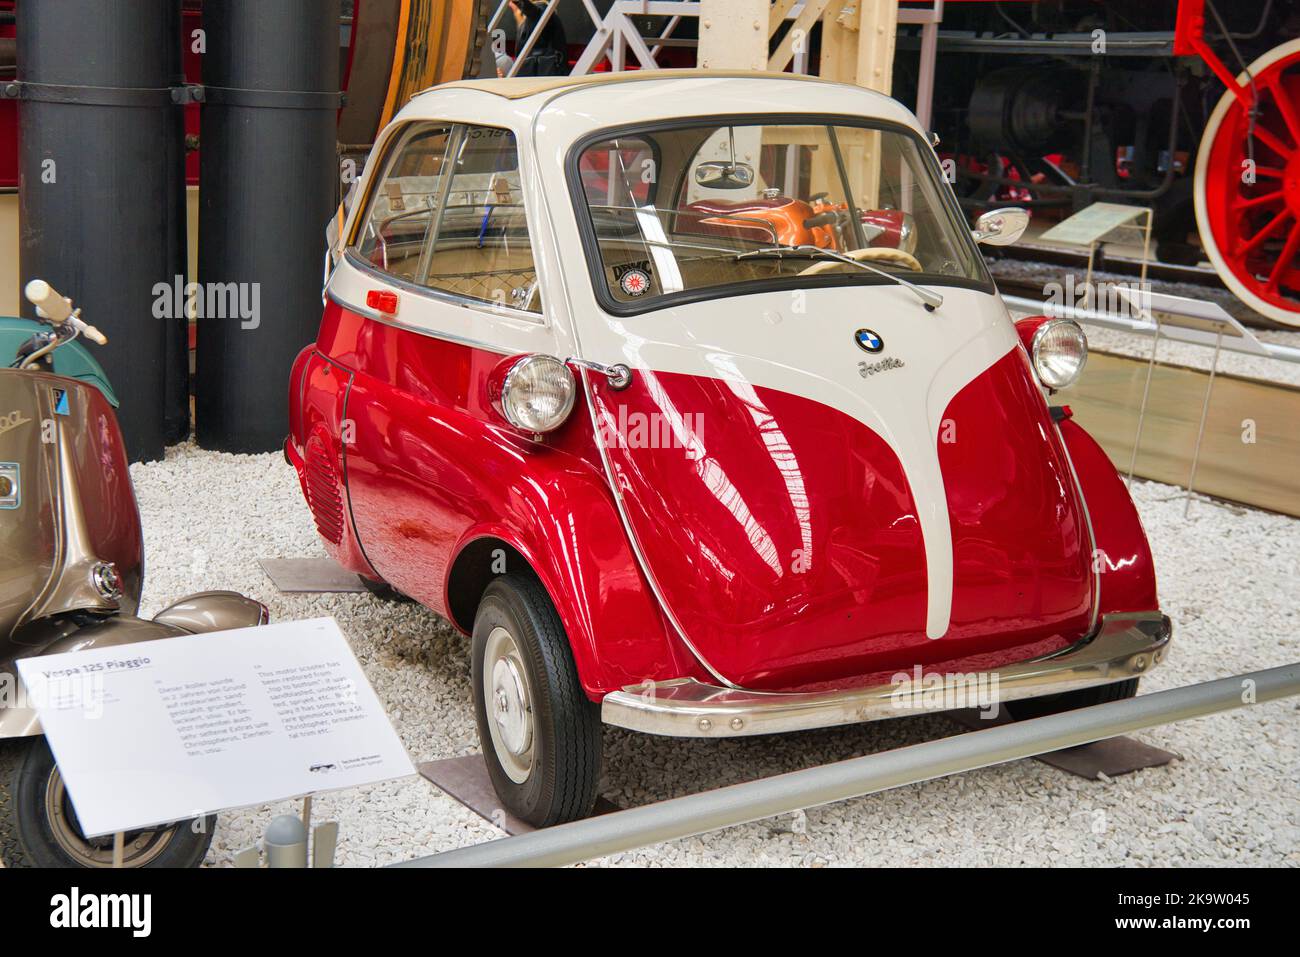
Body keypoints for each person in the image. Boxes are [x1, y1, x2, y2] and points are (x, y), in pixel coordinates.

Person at [508, 0, 567, 77]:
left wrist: (519, 3)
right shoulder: (547, 12)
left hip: (540, 73)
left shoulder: (542, 9)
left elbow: (532, 11)